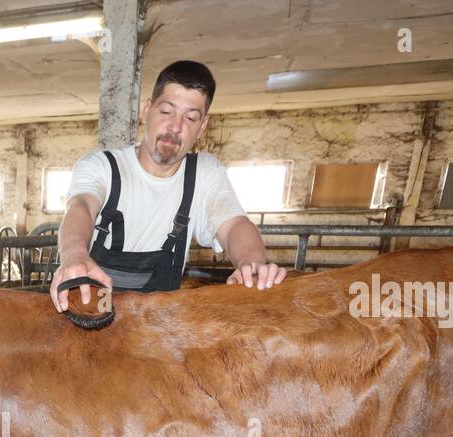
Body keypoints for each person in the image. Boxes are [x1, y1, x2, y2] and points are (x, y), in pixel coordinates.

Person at [51, 60, 287, 312]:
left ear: (202, 127)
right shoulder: (102, 165)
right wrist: (75, 255)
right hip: (90, 313)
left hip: (157, 325)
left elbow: (233, 225)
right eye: (166, 112)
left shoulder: (204, 173)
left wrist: (251, 265)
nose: (175, 127)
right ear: (147, 110)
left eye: (190, 118)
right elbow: (81, 207)